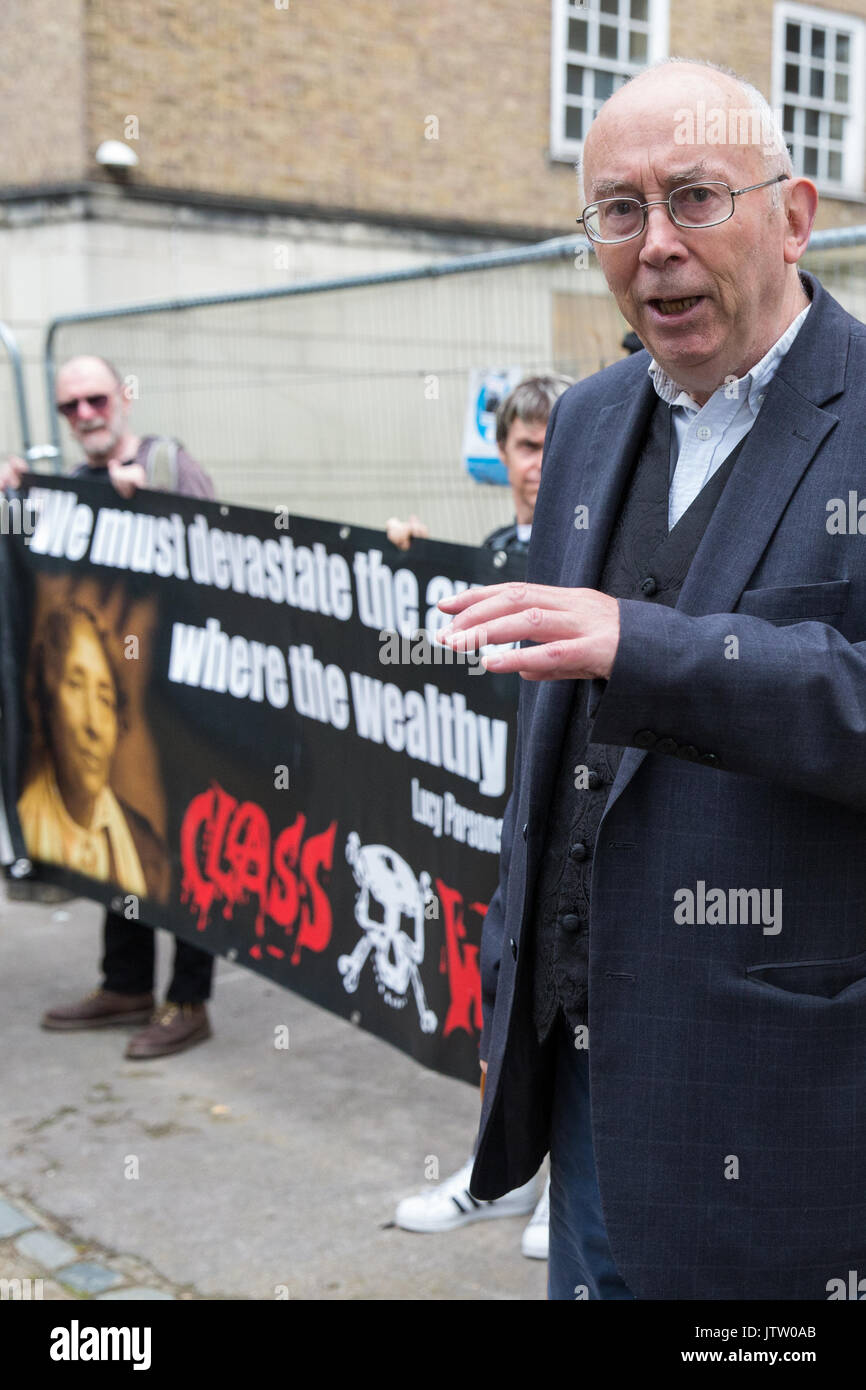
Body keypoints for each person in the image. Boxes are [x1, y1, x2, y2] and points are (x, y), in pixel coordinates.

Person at [436, 57, 866, 1301]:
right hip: (583, 1088)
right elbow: (549, 768)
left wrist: (649, 643)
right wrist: (511, 1006)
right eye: (618, 210)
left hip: (787, 1114)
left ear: (793, 216)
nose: (656, 245)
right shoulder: (586, 417)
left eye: (695, 197)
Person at [389, 375, 571, 1258]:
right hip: (499, 822)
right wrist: (408, 560)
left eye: (553, 442)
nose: (539, 464)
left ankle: (567, 1184)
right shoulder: (496, 545)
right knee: (498, 986)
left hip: (574, 822)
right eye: (526, 446)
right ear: (501, 454)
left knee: (568, 995)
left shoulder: (596, 540)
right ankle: (501, 1170)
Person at [2, 354, 216, 1059]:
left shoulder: (165, 463)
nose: (86, 416)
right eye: (70, 408)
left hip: (177, 698)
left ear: (124, 396)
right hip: (108, 706)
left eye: (95, 399)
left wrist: (153, 506)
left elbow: (220, 556)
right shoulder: (72, 488)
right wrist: (16, 496)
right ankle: (125, 984)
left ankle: (188, 1000)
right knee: (115, 845)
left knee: (178, 848)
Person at [18, 604, 169, 902]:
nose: (94, 726)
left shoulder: (146, 853)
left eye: (105, 699)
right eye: (75, 685)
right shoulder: (22, 823)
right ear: (48, 700)